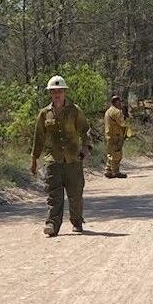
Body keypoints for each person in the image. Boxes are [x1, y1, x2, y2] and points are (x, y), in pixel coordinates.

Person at [31, 75, 93, 237]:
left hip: (73, 159)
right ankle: (52, 224)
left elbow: (85, 130)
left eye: (59, 91)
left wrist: (86, 148)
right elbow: (38, 138)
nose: (57, 94)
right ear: (50, 94)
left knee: (75, 194)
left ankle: (77, 221)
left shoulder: (75, 111)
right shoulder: (44, 114)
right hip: (53, 160)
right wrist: (34, 159)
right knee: (54, 195)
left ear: (64, 92)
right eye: (53, 92)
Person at [103, 95, 128, 178]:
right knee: (117, 154)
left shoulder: (107, 112)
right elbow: (122, 123)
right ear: (116, 102)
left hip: (108, 135)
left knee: (110, 153)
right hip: (116, 136)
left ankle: (108, 170)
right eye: (119, 101)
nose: (120, 103)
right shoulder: (116, 112)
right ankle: (116, 171)